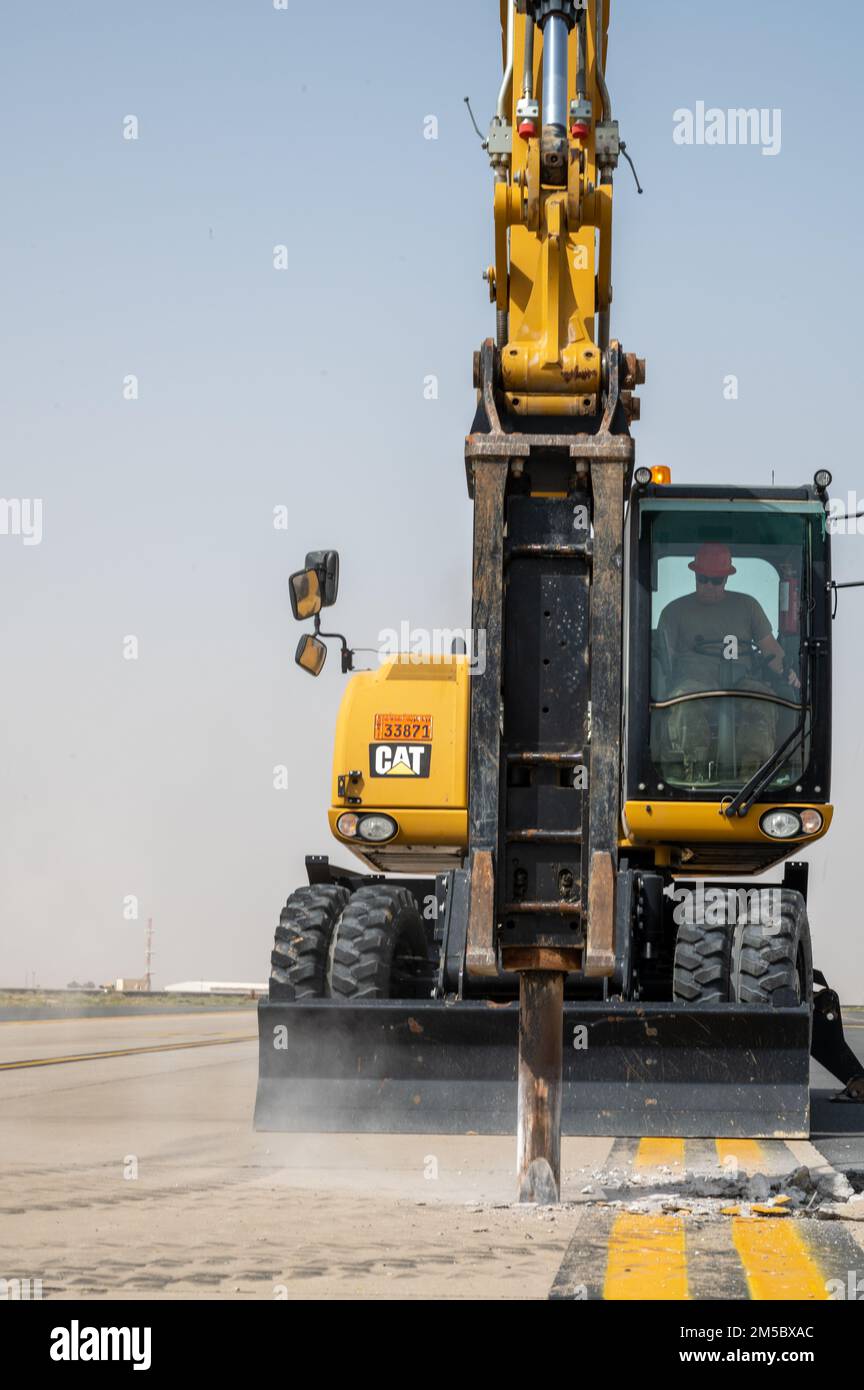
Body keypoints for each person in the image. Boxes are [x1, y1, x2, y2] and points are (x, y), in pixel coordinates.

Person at [656, 543, 800, 782]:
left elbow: (770, 649)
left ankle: (751, 777)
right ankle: (695, 774)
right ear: (695, 575)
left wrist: (788, 672)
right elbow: (665, 661)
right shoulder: (674, 612)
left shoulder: (747, 606)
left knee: (763, 701)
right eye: (703, 579)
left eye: (716, 581)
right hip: (694, 684)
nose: (709, 586)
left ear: (726, 579)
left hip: (741, 682)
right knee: (683, 704)